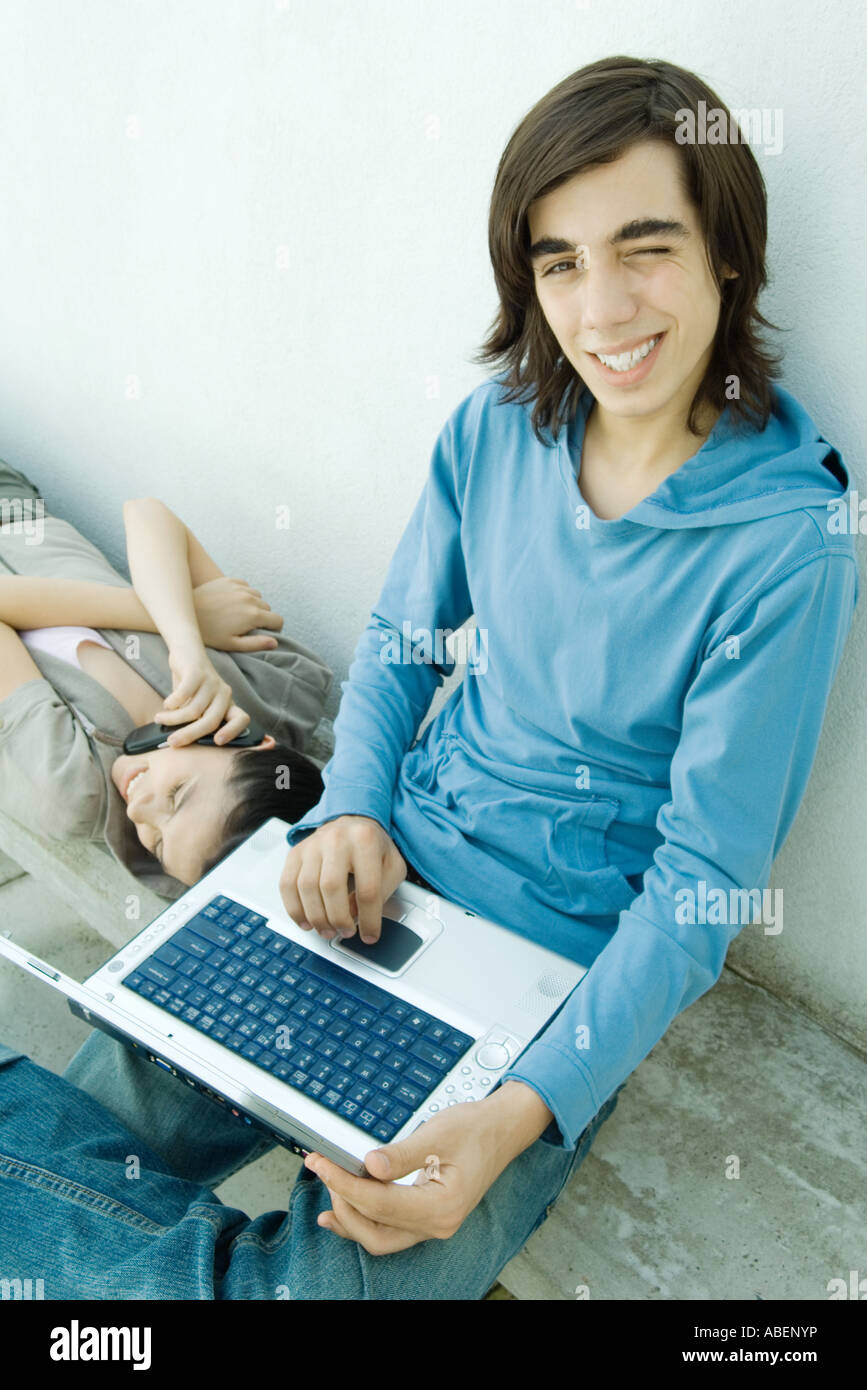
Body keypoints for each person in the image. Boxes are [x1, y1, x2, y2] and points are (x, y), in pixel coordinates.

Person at [0, 55, 857, 1300]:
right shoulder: (499, 429)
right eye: (559, 261)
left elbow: (703, 889)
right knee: (115, 1128)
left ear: (729, 251)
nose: (603, 307)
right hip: (369, 884)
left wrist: (514, 1117)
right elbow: (403, 645)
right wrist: (351, 807)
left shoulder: (789, 544)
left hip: (548, 996)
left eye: (646, 246)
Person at [0, 470, 333, 895]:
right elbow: (146, 514)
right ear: (252, 745)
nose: (138, 809)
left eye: (156, 844)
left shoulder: (71, 786)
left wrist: (184, 613)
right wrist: (187, 645)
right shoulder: (281, 689)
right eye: (176, 796)